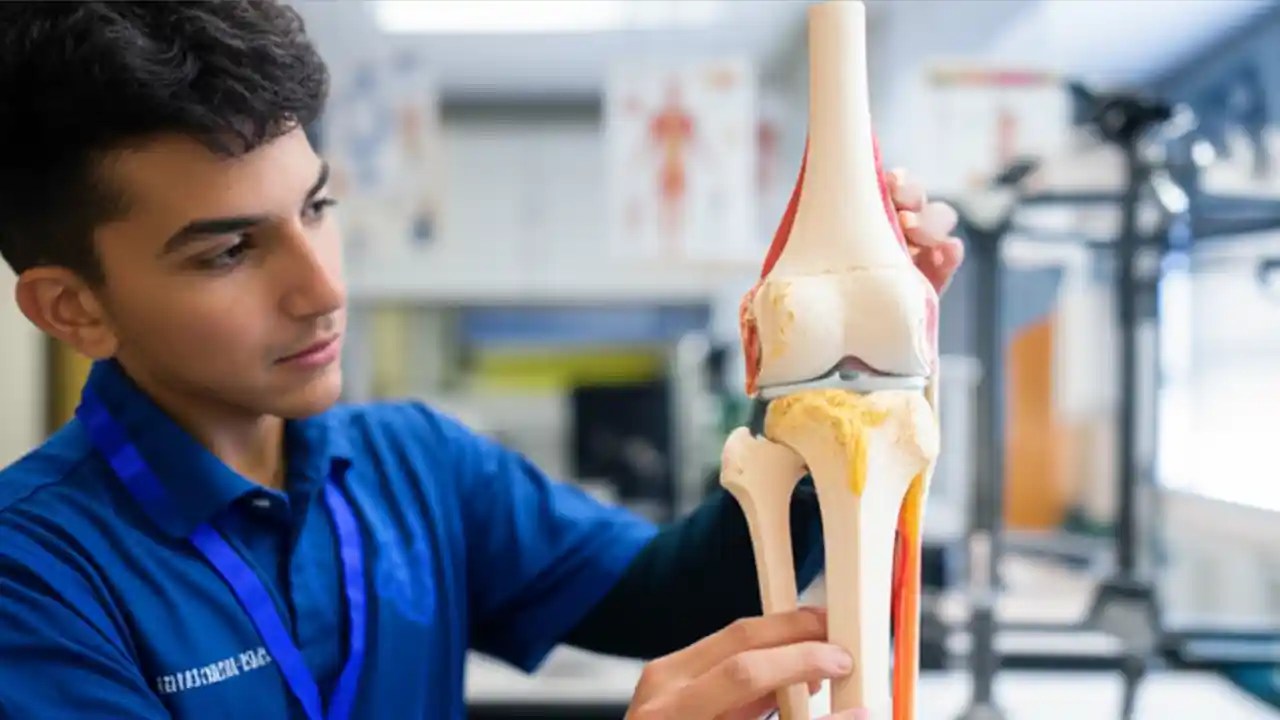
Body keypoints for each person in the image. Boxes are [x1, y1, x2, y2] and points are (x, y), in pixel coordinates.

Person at [0, 2, 964, 719]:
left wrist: (825, 376)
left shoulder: (413, 466)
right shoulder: (34, 576)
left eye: (318, 208)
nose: (324, 288)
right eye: (228, 251)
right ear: (71, 307)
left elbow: (672, 596)